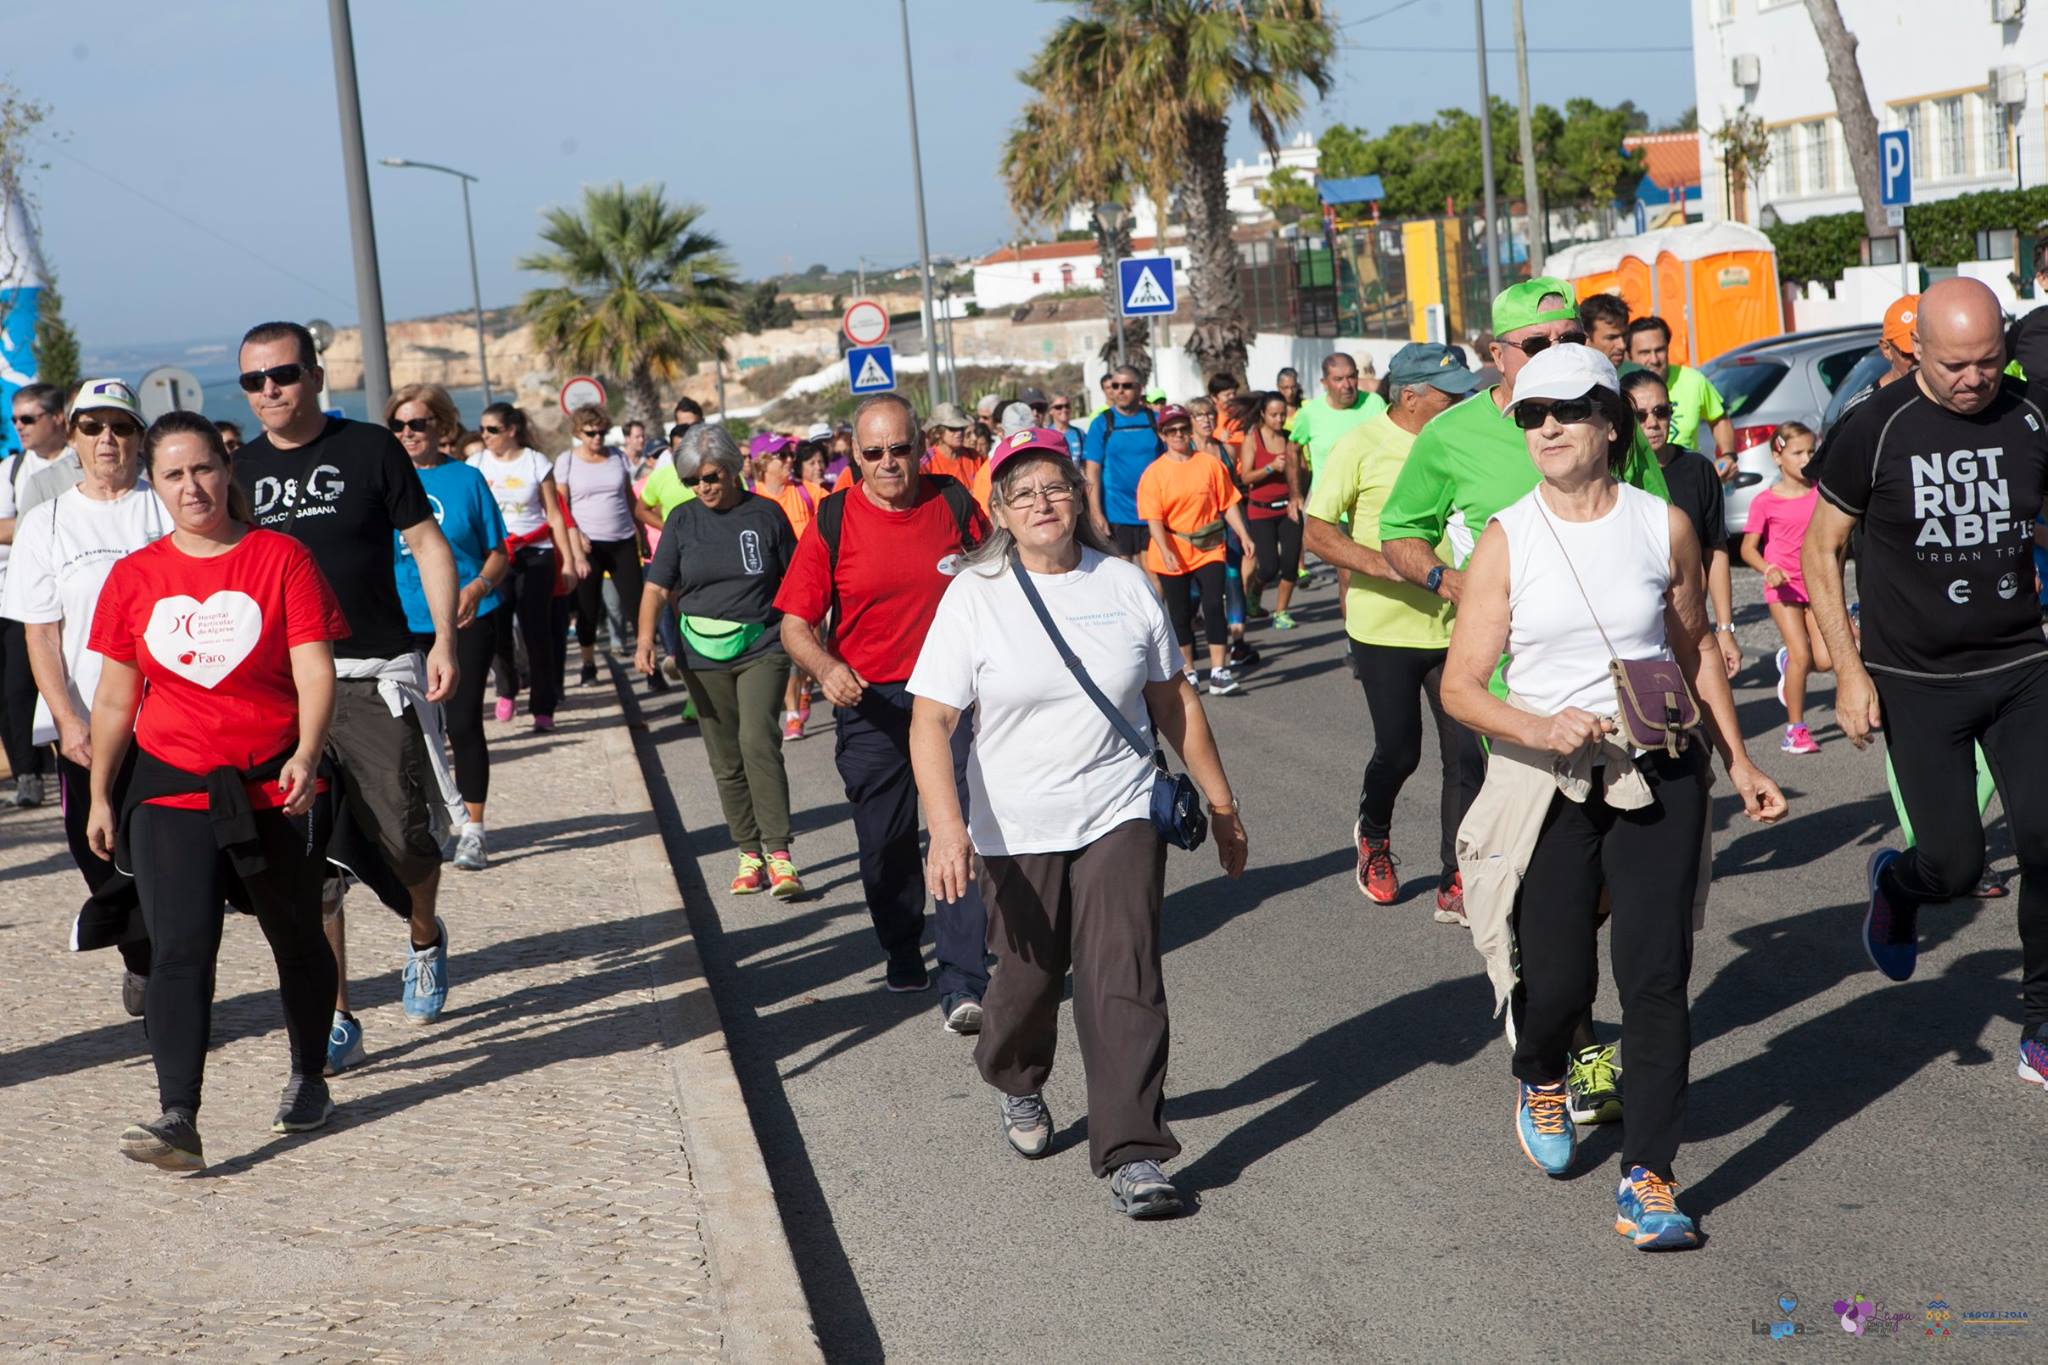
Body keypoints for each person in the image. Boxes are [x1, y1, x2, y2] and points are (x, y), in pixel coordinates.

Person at [1442, 343, 1785, 1250]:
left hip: (1660, 765)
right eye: (1530, 415)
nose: (1545, 427)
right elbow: (1461, 686)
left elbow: (1694, 648)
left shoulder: (1660, 523)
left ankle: (1650, 1176)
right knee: (1553, 980)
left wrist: (1740, 761)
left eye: (1565, 411)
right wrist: (1535, 724)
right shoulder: (1507, 538)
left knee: (1657, 973)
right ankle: (1542, 1069)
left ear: (1610, 422)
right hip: (1550, 778)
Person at [909, 424, 1247, 1219]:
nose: (1041, 502)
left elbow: (1173, 700)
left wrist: (1224, 806)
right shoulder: (974, 595)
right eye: (1021, 491)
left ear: (1078, 493)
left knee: (1122, 973)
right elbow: (930, 722)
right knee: (1025, 982)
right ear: (998, 508)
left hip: (1119, 807)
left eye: (1054, 484)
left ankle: (1133, 1150)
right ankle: (1014, 1075)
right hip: (1014, 826)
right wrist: (947, 829)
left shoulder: (1125, 583)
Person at [1379, 277, 1671, 1123]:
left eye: (1569, 337)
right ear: (1496, 355)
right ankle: (1567, 1047)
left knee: (1605, 895)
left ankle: (1558, 1018)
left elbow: (1656, 525)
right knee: (1546, 892)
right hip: (1508, 701)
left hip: (1621, 707)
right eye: (1536, 346)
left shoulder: (1604, 415)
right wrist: (1461, 584)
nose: (1556, 358)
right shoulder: (1452, 435)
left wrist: (1708, 627)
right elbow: (1401, 531)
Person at [1802, 278, 2048, 1093]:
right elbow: (1820, 548)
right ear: (1918, 354)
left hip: (2020, 665)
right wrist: (1845, 673)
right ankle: (1900, 887)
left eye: (1988, 361)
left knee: (2046, 842)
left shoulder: (2030, 415)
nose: (1974, 379)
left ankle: (2041, 1023)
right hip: (1918, 679)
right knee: (1952, 863)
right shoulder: (1875, 426)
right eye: (1954, 365)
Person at [84, 411, 348, 1169]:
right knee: (180, 948)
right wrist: (102, 792)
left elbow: (314, 667)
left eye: (202, 468)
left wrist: (306, 750)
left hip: (273, 778)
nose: (191, 485)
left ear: (227, 469)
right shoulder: (135, 577)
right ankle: (179, 1116)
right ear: (153, 483)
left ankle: (308, 1073)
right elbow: (114, 698)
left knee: (295, 936)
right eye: (172, 473)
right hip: (171, 783)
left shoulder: (281, 557)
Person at [233, 320, 461, 1069]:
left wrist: (444, 643)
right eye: (254, 381)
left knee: (402, 839)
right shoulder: (239, 470)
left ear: (315, 375)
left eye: (283, 374)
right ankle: (336, 1011)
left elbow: (427, 543)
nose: (269, 390)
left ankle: (424, 934)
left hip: (371, 673)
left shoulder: (370, 447)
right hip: (285, 688)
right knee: (311, 856)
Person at [774, 392, 992, 1027]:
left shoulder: (952, 501)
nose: (890, 463)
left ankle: (963, 976)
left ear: (921, 446)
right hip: (869, 699)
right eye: (875, 453)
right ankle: (902, 946)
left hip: (948, 695)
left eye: (901, 449)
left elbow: (1002, 573)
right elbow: (794, 624)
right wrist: (826, 667)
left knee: (959, 827)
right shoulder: (834, 519)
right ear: (855, 456)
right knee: (885, 842)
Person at [1304, 343, 1487, 920]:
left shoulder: (1461, 438)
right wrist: (1383, 564)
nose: (1461, 400)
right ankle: (1374, 835)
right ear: (1410, 397)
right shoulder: (1360, 444)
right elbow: (1316, 530)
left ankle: (1456, 876)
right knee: (1400, 751)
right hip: (1383, 626)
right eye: (1448, 393)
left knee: (1466, 754)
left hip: (1456, 622)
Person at [1, 378, 165, 1009]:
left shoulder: (164, 506)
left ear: (140, 438)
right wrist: (67, 720)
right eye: (92, 427)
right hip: (89, 718)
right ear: (71, 437)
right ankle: (141, 952)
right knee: (95, 847)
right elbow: (41, 633)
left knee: (169, 848)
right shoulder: (48, 522)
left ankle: (174, 972)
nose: (107, 440)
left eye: (121, 427)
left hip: (171, 716)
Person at [637, 425, 803, 898]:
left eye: (710, 477)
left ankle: (780, 853)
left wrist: (808, 636)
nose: (702, 488)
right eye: (692, 481)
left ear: (733, 470)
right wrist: (645, 638)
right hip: (701, 652)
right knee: (725, 756)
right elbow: (657, 586)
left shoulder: (767, 515)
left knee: (757, 739)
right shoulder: (683, 520)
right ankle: (748, 852)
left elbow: (794, 584)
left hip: (762, 645)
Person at [389, 384, 509, 868]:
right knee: (412, 734)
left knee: (460, 723)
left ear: (441, 426)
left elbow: (499, 551)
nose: (407, 433)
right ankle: (429, 823)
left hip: (465, 617)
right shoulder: (384, 482)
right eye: (398, 425)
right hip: (401, 621)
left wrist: (477, 587)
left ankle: (474, 830)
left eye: (417, 423)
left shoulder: (467, 480)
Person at [1621, 369, 1742, 682]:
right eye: (1640, 415)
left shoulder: (1698, 469)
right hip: (1634, 635)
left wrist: (1725, 629)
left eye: (1662, 411)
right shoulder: (1614, 477)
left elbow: (1714, 550)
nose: (1652, 423)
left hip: (1690, 626)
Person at [473, 401, 583, 729]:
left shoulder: (535, 462)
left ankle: (543, 706)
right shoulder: (476, 463)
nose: (485, 435)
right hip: (496, 556)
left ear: (511, 430)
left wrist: (569, 562)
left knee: (538, 632)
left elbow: (554, 515)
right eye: (482, 429)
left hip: (537, 553)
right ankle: (507, 690)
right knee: (499, 630)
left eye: (492, 429)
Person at [1139, 405, 1258, 696]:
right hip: (1172, 549)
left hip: (1208, 547)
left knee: (1214, 605)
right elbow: (1153, 519)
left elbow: (1228, 503)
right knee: (1180, 613)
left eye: (1182, 428)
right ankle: (1189, 672)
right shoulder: (1154, 474)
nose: (1179, 434)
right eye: (1172, 430)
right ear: (1162, 435)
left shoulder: (1209, 464)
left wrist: (1243, 534)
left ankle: (1219, 671)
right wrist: (1166, 549)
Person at [1742, 423, 1831, 756]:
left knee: (1824, 660)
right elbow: (1748, 548)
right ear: (1777, 456)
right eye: (1797, 453)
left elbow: (1833, 539)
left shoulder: (1819, 492)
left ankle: (1787, 663)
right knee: (1802, 654)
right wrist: (1769, 569)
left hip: (1815, 583)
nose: (1805, 459)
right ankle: (1795, 730)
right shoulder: (1766, 501)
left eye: (1810, 452)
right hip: (1783, 586)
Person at [557, 404, 655, 687]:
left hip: (622, 540)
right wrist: (576, 538)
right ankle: (588, 664)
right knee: (588, 608)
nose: (597, 437)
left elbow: (629, 497)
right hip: (588, 546)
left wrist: (642, 533)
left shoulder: (617, 457)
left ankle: (649, 666)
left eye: (602, 432)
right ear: (578, 432)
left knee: (636, 605)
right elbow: (562, 506)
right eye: (591, 433)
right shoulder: (568, 461)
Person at [1625, 317, 1737, 476]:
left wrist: (1727, 455)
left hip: (1686, 477)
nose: (1654, 359)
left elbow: (1719, 418)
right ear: (1629, 355)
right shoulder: (1623, 389)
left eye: (1660, 350)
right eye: (1645, 353)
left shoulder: (1694, 381)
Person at [1232, 391, 1304, 629]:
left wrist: (1298, 491)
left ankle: (1281, 612)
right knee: (1269, 566)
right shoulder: (1253, 439)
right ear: (1263, 414)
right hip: (1261, 511)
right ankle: (1254, 592)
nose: (1279, 419)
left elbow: (1303, 472)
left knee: (1291, 565)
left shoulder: (1290, 438)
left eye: (1283, 414)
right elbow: (1246, 477)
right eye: (1274, 415)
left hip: (1288, 509)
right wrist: (1272, 468)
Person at [1080, 365, 1162, 556]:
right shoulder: (1102, 423)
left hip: (1154, 510)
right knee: (1125, 570)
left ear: (1140, 388)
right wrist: (1095, 512)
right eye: (1115, 386)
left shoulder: (1156, 420)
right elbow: (1092, 471)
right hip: (1117, 512)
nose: (1120, 391)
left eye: (1126, 386)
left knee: (1155, 573)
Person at [1288, 352, 1387, 475]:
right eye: (1338, 379)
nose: (1346, 385)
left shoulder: (1375, 403)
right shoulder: (1310, 412)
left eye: (1351, 377)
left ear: (1357, 376)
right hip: (1326, 493)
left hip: (1368, 492)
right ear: (1324, 382)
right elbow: (1292, 449)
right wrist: (1295, 492)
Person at [7, 381, 79, 518]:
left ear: (57, 417)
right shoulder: (10, 467)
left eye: (26, 419)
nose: (18, 426)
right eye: (14, 420)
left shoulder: (85, 461)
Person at [1578, 293, 1631, 367]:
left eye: (1624, 336)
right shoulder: (1568, 376)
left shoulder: (1633, 374)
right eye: (1611, 337)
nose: (1622, 345)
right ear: (1586, 339)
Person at [1048, 392, 1084, 462]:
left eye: (1067, 406)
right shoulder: (1046, 434)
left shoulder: (1079, 433)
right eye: (1059, 407)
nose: (1064, 410)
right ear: (1051, 411)